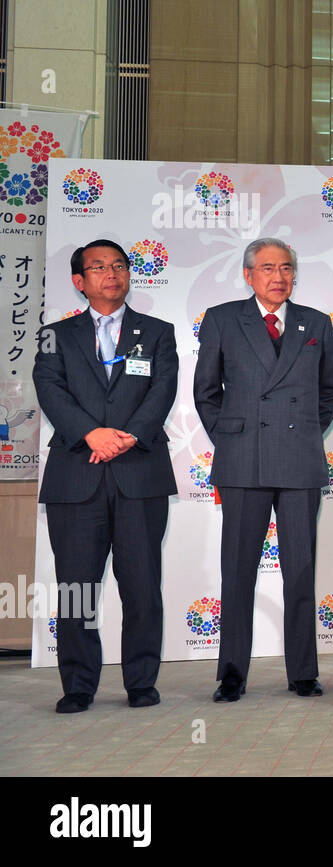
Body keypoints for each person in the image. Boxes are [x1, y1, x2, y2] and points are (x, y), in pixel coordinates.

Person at [194, 237, 333, 702]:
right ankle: (232, 673)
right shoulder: (222, 319)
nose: (278, 277)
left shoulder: (315, 323)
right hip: (243, 461)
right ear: (248, 275)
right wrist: (237, 436)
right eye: (267, 268)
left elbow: (330, 392)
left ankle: (302, 671)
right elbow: (206, 392)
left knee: (300, 569)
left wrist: (297, 433)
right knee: (238, 569)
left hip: (299, 461)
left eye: (286, 268)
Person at [33, 238, 178, 712]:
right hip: (77, 475)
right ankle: (77, 685)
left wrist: (129, 436)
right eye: (98, 267)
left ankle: (141, 681)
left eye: (118, 265)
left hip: (140, 473)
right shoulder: (55, 334)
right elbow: (50, 389)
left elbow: (162, 390)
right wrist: (91, 434)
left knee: (141, 585)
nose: (111, 273)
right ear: (80, 282)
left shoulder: (157, 331)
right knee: (76, 588)